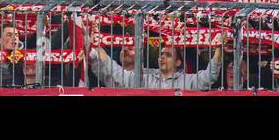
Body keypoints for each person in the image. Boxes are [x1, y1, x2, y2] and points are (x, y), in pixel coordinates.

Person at [91, 42, 224, 90]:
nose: (162, 57)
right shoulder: (147, 77)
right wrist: (100, 52)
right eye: (161, 54)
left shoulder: (188, 80)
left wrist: (219, 49)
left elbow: (209, 77)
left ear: (178, 62)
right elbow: (120, 75)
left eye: (168, 55)